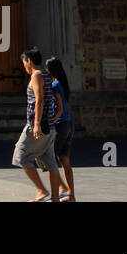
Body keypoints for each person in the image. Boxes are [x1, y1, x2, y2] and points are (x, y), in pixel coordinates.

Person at [12, 48, 63, 201]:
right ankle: (55, 198)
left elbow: (39, 100)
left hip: (38, 126)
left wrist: (36, 124)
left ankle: (41, 190)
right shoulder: (47, 76)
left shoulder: (36, 76)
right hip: (49, 127)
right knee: (50, 162)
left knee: (20, 155)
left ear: (29, 61)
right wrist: (51, 120)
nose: (24, 67)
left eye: (24, 63)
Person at [46, 56, 75, 201]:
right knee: (64, 160)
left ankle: (55, 196)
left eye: (47, 68)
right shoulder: (63, 84)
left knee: (49, 161)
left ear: (51, 69)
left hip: (60, 125)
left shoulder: (55, 85)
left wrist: (50, 121)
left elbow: (59, 108)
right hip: (69, 124)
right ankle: (71, 196)